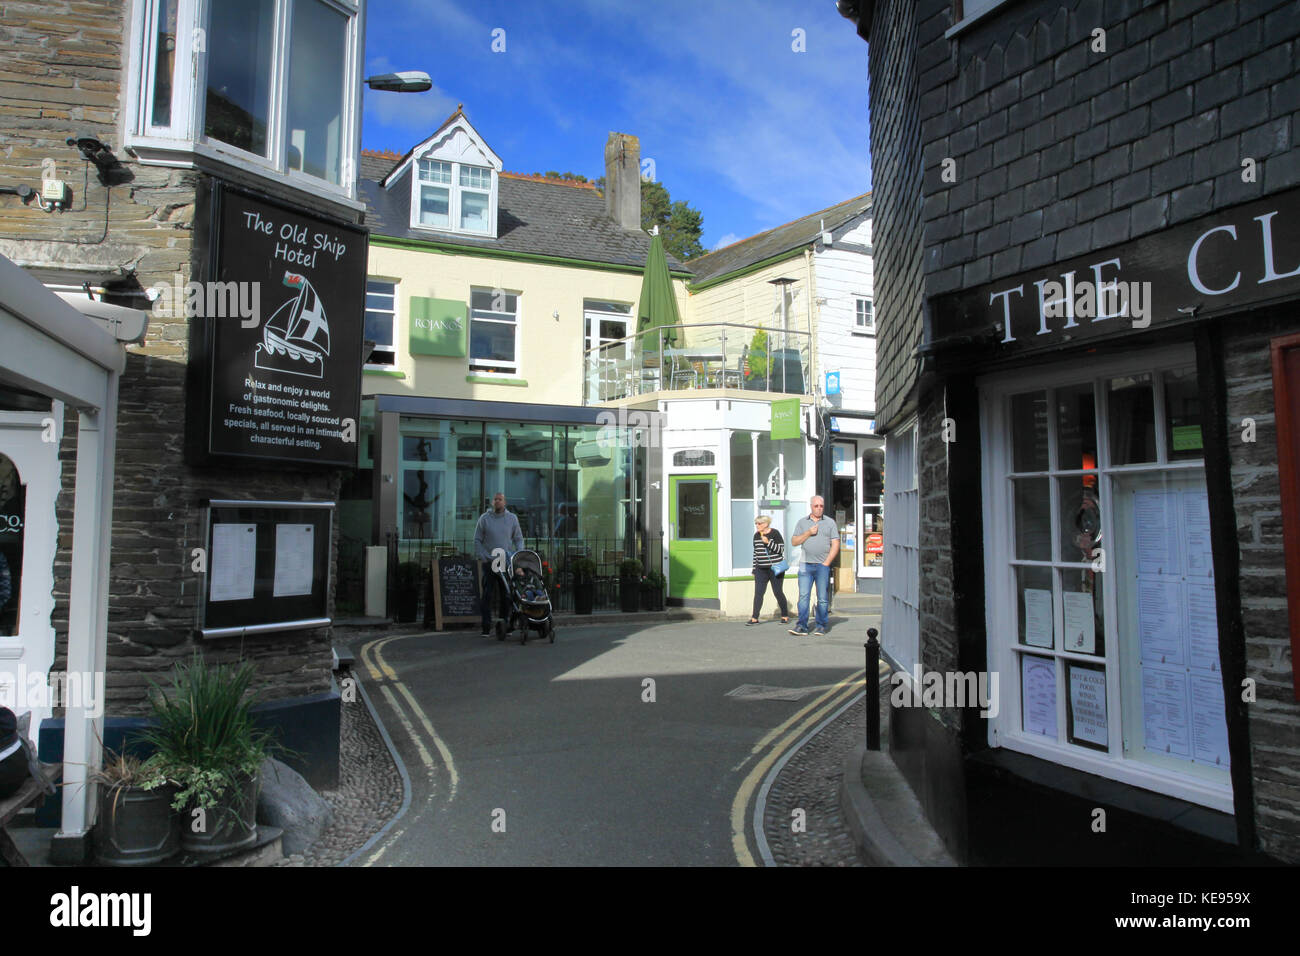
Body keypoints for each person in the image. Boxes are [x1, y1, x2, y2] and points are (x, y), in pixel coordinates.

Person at [474, 492, 523, 636]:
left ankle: (504, 624)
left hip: (505, 561)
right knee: (487, 595)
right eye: (495, 499)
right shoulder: (484, 518)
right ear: (492, 503)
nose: (497, 501)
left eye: (500, 499)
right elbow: (477, 540)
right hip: (489, 562)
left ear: (505, 502)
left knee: (506, 594)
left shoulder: (512, 518)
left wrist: (517, 555)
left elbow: (518, 538)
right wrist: (483, 556)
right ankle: (486, 626)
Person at [789, 495, 839, 637]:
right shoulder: (802, 522)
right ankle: (802, 626)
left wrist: (827, 562)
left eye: (821, 506)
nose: (819, 508)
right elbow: (794, 541)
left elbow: (835, 543)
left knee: (822, 597)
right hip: (805, 565)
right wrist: (808, 533)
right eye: (816, 506)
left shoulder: (830, 523)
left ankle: (821, 625)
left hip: (822, 565)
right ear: (811, 506)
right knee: (804, 596)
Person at [747, 515, 789, 625]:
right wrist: (754, 568)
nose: (757, 525)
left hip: (775, 568)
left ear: (766, 524)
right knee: (759, 593)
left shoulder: (775, 533)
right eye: (756, 523)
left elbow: (781, 550)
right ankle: (754, 618)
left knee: (778, 592)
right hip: (761, 569)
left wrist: (768, 543)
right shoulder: (756, 536)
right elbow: (756, 553)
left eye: (759, 523)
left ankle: (784, 615)